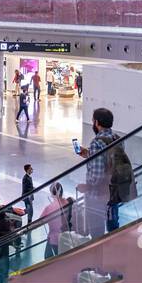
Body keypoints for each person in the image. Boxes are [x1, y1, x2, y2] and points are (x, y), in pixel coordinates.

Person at [77, 107, 117, 236]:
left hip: (97, 196)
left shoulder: (96, 143)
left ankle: (99, 254)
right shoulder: (116, 138)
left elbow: (98, 174)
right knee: (113, 227)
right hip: (113, 192)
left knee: (96, 232)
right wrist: (89, 154)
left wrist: (87, 187)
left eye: (93, 120)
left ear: (97, 123)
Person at [38, 183, 72, 259]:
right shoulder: (67, 203)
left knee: (48, 258)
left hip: (54, 239)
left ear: (51, 193)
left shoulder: (49, 208)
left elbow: (39, 222)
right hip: (66, 237)